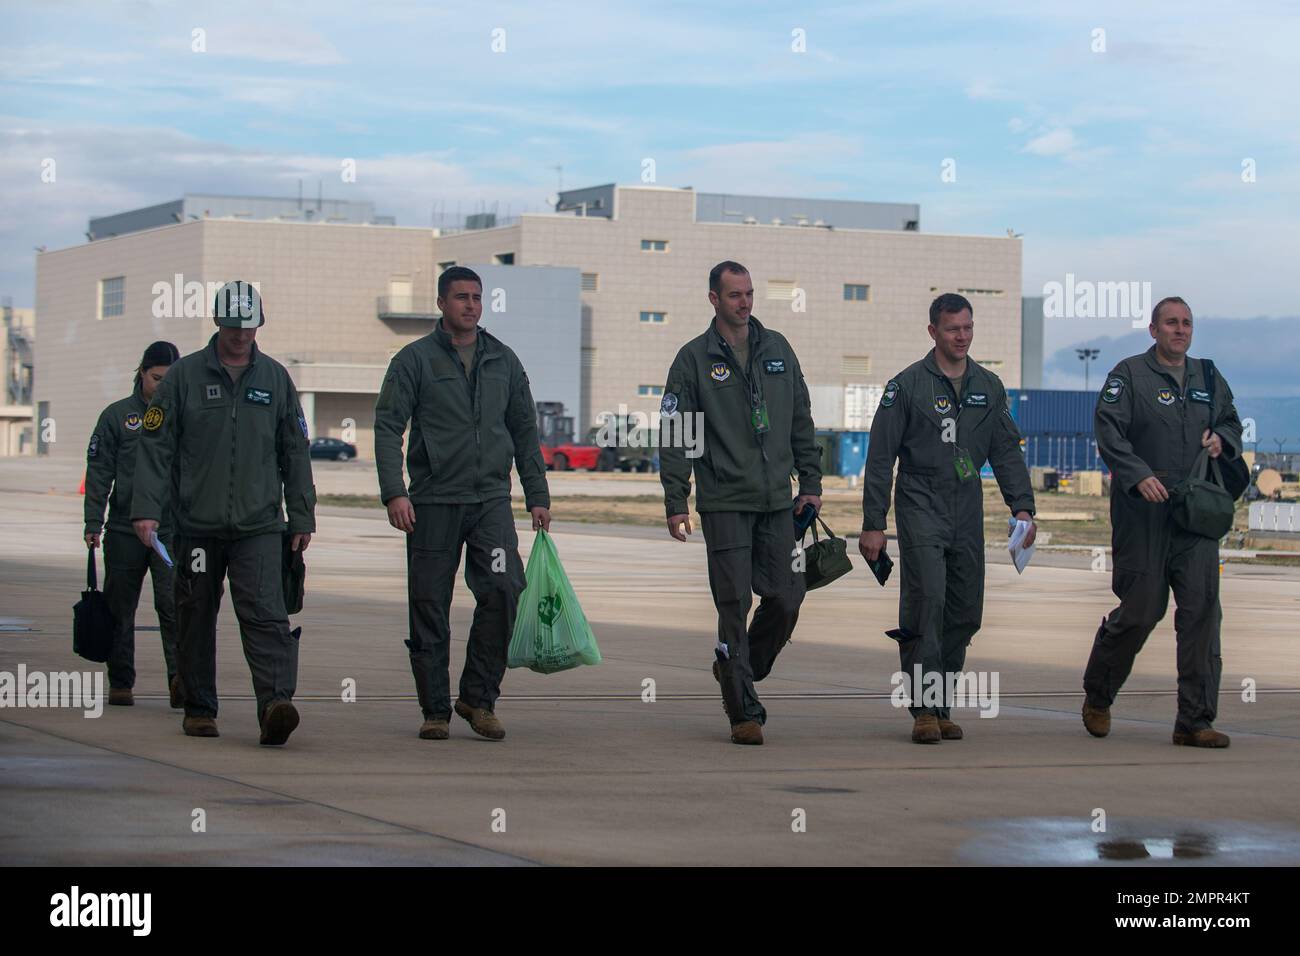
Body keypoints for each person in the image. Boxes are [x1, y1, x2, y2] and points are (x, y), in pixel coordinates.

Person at [131, 281, 316, 745]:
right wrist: (145, 511)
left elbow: (295, 451)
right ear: (218, 323)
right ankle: (199, 707)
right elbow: (155, 448)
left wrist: (302, 517)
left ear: (259, 325)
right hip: (196, 525)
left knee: (266, 615)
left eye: (248, 326)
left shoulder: (275, 379)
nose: (240, 335)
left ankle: (275, 704)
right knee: (194, 616)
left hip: (259, 525)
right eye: (233, 325)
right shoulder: (184, 377)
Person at [374, 266, 551, 742]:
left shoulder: (503, 360)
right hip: (432, 502)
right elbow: (389, 426)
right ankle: (435, 710)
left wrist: (537, 495)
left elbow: (524, 431)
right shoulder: (414, 360)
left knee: (504, 587)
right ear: (441, 303)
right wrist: (395, 491)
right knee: (430, 603)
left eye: (476, 297)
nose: (470, 305)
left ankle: (478, 698)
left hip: (490, 500)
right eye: (460, 298)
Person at [859, 293, 1035, 744]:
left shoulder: (988, 386)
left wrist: (1023, 509)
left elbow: (1005, 452)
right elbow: (881, 458)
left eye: (968, 327)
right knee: (928, 601)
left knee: (964, 610)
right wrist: (873, 522)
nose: (962, 336)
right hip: (920, 501)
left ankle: (941, 705)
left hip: (966, 505)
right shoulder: (907, 386)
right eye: (953, 328)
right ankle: (922, 710)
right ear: (933, 331)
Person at [659, 260, 821, 746]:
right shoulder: (692, 359)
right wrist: (676, 499)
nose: (744, 302)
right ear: (714, 298)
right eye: (734, 295)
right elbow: (676, 435)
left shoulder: (778, 349)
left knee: (788, 596)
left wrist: (810, 480)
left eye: (749, 293)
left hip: (777, 502)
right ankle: (742, 709)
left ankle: (741, 666)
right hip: (725, 501)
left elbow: (801, 418)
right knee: (733, 604)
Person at [1081, 296, 1243, 747]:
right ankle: (1099, 693)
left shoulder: (1208, 377)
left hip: (1194, 515)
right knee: (1141, 610)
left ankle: (1194, 720)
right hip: (1144, 513)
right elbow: (1108, 430)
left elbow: (1231, 422)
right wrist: (1137, 476)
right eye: (1171, 323)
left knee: (1202, 615)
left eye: (1187, 323)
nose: (1180, 330)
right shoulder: (1128, 376)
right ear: (1153, 330)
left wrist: (1221, 440)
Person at [84, 341, 182, 708]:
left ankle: (181, 682)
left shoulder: (184, 415)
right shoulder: (116, 416)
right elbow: (99, 471)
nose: (162, 385)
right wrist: (93, 519)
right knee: (119, 609)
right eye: (156, 378)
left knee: (174, 607)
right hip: (125, 530)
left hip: (170, 530)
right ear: (142, 372)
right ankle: (121, 682)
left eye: (169, 380)